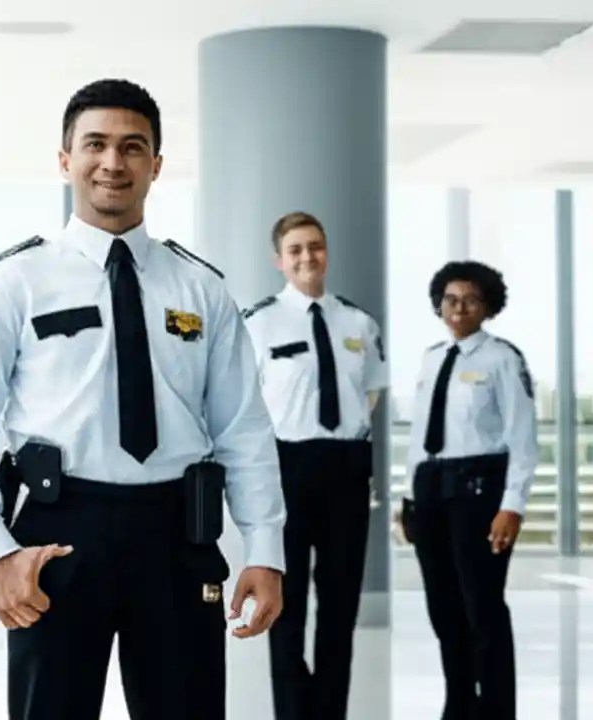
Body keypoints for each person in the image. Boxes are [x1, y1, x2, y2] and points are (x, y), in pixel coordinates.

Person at [0, 78, 287, 720]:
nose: (113, 162)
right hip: (58, 533)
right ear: (65, 159)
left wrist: (264, 548)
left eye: (132, 146)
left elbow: (244, 428)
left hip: (177, 533)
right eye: (95, 144)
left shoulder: (201, 288)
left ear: (156, 163)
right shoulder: (14, 281)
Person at [241, 211, 389, 720]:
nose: (309, 257)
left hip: (346, 467)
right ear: (279, 260)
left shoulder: (359, 323)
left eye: (316, 246)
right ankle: (292, 711)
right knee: (286, 604)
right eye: (297, 249)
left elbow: (369, 394)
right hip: (287, 467)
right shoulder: (258, 323)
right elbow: (246, 404)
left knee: (340, 604)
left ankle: (330, 711)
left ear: (327, 252)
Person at [403, 260, 536, 720]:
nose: (459, 307)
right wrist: (409, 498)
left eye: (471, 300)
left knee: (482, 605)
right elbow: (420, 434)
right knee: (443, 605)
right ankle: (458, 702)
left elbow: (523, 438)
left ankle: (498, 708)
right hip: (431, 489)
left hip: (480, 490)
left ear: (488, 307)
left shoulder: (503, 358)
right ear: (439, 304)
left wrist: (512, 506)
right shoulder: (431, 357)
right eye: (451, 299)